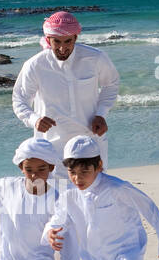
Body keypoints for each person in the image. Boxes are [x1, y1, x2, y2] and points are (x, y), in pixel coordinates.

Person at [12, 10, 120, 169]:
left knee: (92, 191)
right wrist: (34, 119)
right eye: (57, 42)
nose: (62, 48)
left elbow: (111, 84)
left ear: (75, 38)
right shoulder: (35, 65)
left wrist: (101, 113)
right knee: (56, 192)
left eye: (68, 41)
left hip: (90, 142)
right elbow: (19, 99)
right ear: (48, 40)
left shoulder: (95, 58)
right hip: (51, 146)